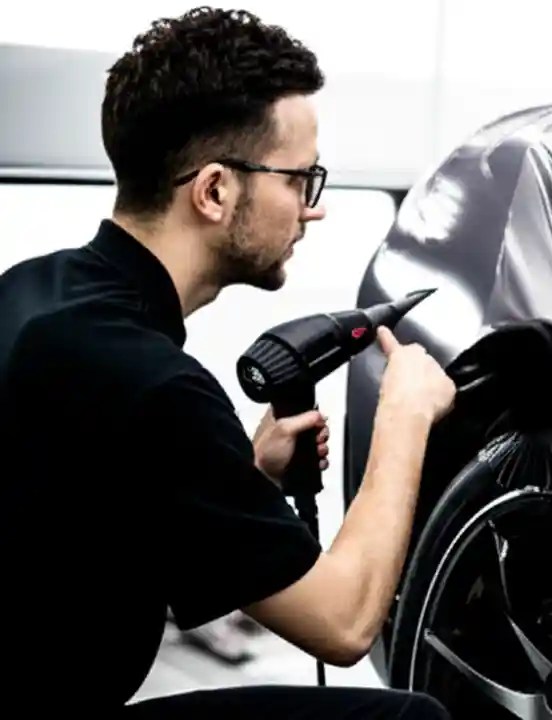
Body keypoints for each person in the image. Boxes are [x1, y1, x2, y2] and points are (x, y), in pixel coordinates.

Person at [0, 6, 456, 718]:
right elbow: (342, 624)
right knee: (411, 717)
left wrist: (239, 479)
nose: (314, 209)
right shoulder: (152, 384)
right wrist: (403, 416)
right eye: (300, 180)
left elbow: (74, 539)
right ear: (214, 191)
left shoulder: (29, 295)